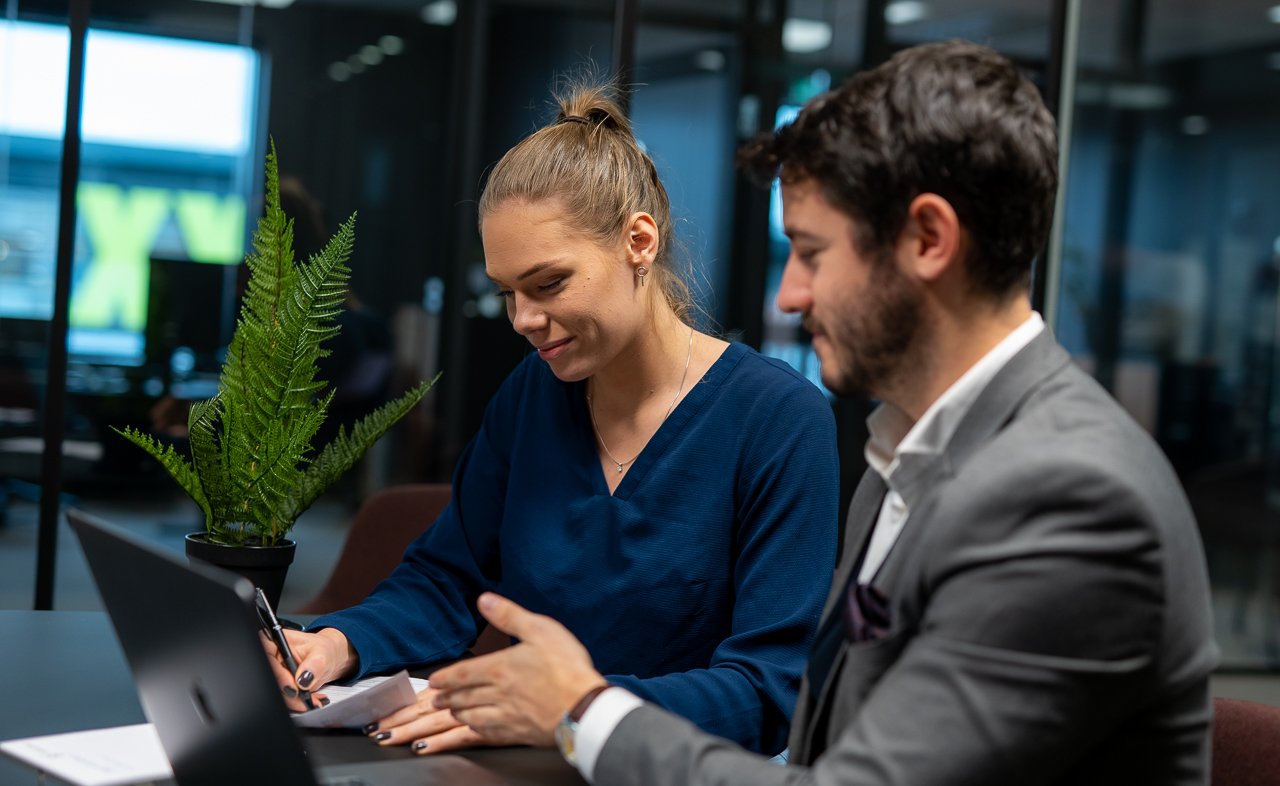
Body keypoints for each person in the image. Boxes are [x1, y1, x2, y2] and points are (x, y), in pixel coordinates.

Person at [425, 41, 1219, 785]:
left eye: (811, 253)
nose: (789, 295)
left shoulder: (1067, 495)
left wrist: (582, 710)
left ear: (929, 239)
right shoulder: (911, 454)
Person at [264, 80, 841, 757]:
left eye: (548, 284)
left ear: (639, 241)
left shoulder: (779, 420)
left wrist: (573, 711)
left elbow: (767, 691)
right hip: (520, 760)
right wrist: (338, 643)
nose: (523, 320)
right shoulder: (532, 395)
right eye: (507, 293)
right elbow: (446, 579)